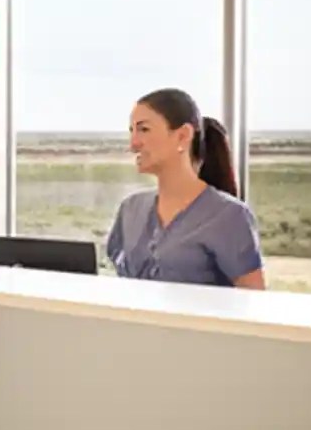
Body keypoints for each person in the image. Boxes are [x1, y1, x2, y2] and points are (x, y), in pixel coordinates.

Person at [106, 88, 266, 289]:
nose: (133, 144)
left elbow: (253, 301)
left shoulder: (230, 216)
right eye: (132, 131)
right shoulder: (130, 209)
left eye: (144, 129)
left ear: (183, 136)